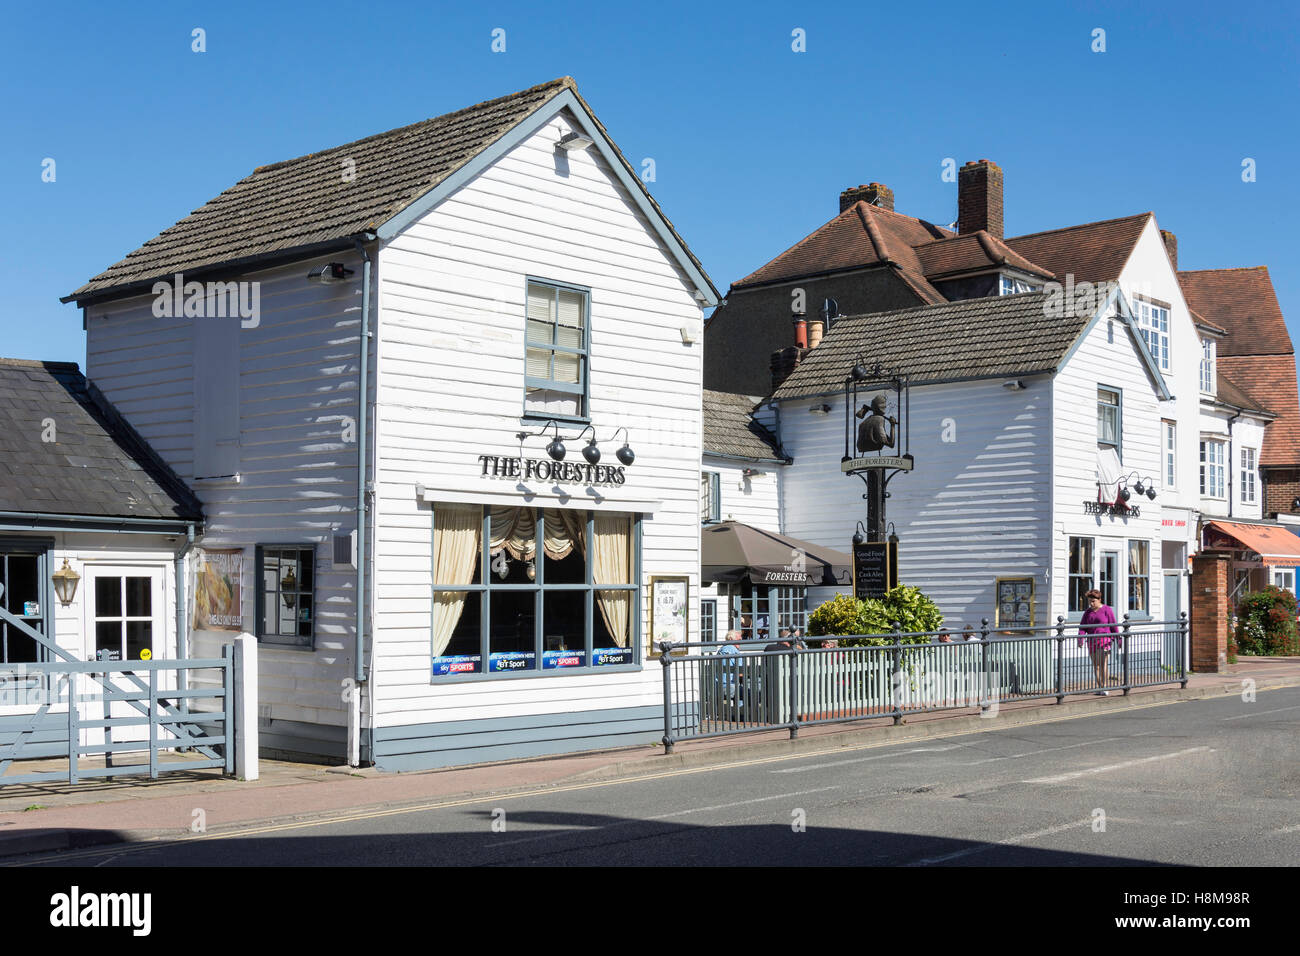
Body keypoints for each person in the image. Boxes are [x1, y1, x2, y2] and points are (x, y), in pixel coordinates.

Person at [1078, 589, 1118, 695]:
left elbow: (1113, 625)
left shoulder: (1107, 610)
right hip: (1092, 641)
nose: (1091, 604)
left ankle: (1105, 686)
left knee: (1103, 663)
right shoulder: (1087, 612)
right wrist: (1080, 639)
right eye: (1089, 601)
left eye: (1093, 601)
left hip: (1105, 641)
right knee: (1096, 665)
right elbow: (1082, 627)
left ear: (1099, 600)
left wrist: (1118, 639)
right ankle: (1100, 687)